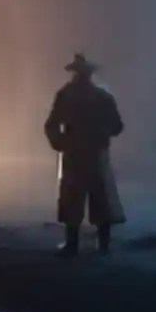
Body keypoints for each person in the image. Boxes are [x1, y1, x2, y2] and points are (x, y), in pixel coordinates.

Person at [44, 53, 126, 256]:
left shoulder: (66, 94)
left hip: (74, 152)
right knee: (100, 196)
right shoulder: (102, 96)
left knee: (73, 197)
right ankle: (103, 243)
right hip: (95, 152)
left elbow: (52, 124)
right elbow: (117, 126)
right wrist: (102, 134)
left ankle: (72, 244)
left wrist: (61, 142)